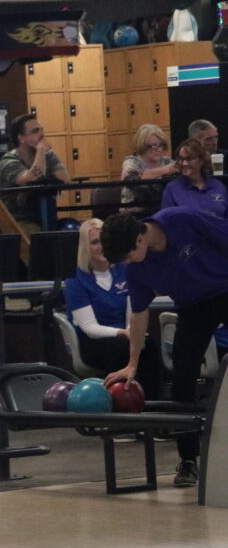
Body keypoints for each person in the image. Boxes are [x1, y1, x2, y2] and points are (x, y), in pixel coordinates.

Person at [101, 208, 228, 488]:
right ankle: (188, 461)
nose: (126, 262)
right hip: (193, 308)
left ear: (139, 239)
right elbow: (138, 313)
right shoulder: (137, 268)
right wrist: (133, 362)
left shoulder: (183, 219)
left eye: (126, 255)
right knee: (182, 379)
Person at [62, 218, 159, 395]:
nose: (102, 246)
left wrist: (132, 332)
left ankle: (155, 405)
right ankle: (116, 403)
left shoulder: (125, 270)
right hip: (93, 341)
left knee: (149, 344)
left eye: (104, 241)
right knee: (121, 348)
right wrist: (123, 333)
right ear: (85, 247)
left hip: (124, 334)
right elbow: (90, 328)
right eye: (94, 242)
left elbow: (135, 311)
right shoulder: (75, 281)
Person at [0, 114, 72, 234]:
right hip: (18, 220)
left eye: (42, 130)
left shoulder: (48, 155)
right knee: (36, 235)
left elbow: (64, 178)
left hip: (45, 216)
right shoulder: (9, 161)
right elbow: (31, 179)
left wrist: (42, 153)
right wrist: (40, 150)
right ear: (21, 138)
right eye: (35, 131)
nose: (42, 135)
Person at [161, 138, 228, 218]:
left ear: (201, 160)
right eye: (181, 159)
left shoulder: (218, 186)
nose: (184, 163)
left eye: (189, 159)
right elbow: (167, 222)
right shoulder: (172, 189)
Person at [119, 124, 176, 215]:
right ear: (142, 146)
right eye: (154, 146)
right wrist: (164, 170)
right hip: (134, 214)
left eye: (161, 145)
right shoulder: (132, 161)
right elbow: (128, 178)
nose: (158, 150)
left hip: (161, 211)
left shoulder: (166, 161)